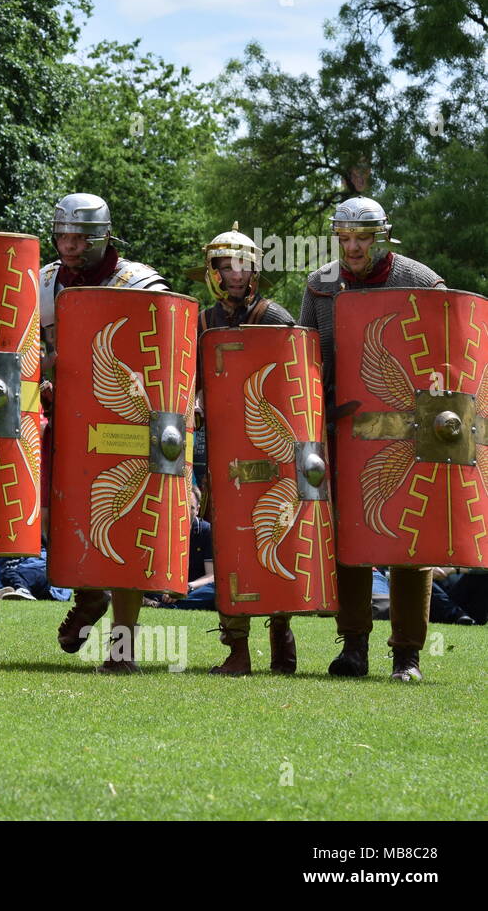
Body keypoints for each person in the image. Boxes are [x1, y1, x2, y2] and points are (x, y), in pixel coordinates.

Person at [300, 196, 444, 682]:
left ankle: (407, 654)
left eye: (362, 238)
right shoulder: (320, 286)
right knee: (351, 538)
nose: (353, 247)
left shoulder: (421, 282)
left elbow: (445, 358)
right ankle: (354, 647)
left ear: (383, 237)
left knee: (410, 539)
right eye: (344, 239)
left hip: (410, 430)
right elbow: (304, 358)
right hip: (347, 428)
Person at [38, 193, 170, 672]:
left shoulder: (139, 284)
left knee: (125, 527)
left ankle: (124, 647)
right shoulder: (45, 282)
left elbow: (163, 354)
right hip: (65, 426)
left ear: (101, 237)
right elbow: (24, 346)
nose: (68, 246)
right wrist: (43, 371)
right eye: (62, 236)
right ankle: (89, 595)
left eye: (78, 238)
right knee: (54, 519)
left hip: (126, 427)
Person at [194, 225, 298, 676]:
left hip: (272, 450)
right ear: (214, 271)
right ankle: (236, 647)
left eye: (242, 265)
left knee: (273, 535)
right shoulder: (202, 322)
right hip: (222, 453)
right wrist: (194, 405)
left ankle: (281, 632)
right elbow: (191, 380)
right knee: (229, 542)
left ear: (254, 270)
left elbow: (295, 386)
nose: (234, 274)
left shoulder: (276, 318)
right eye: (225, 266)